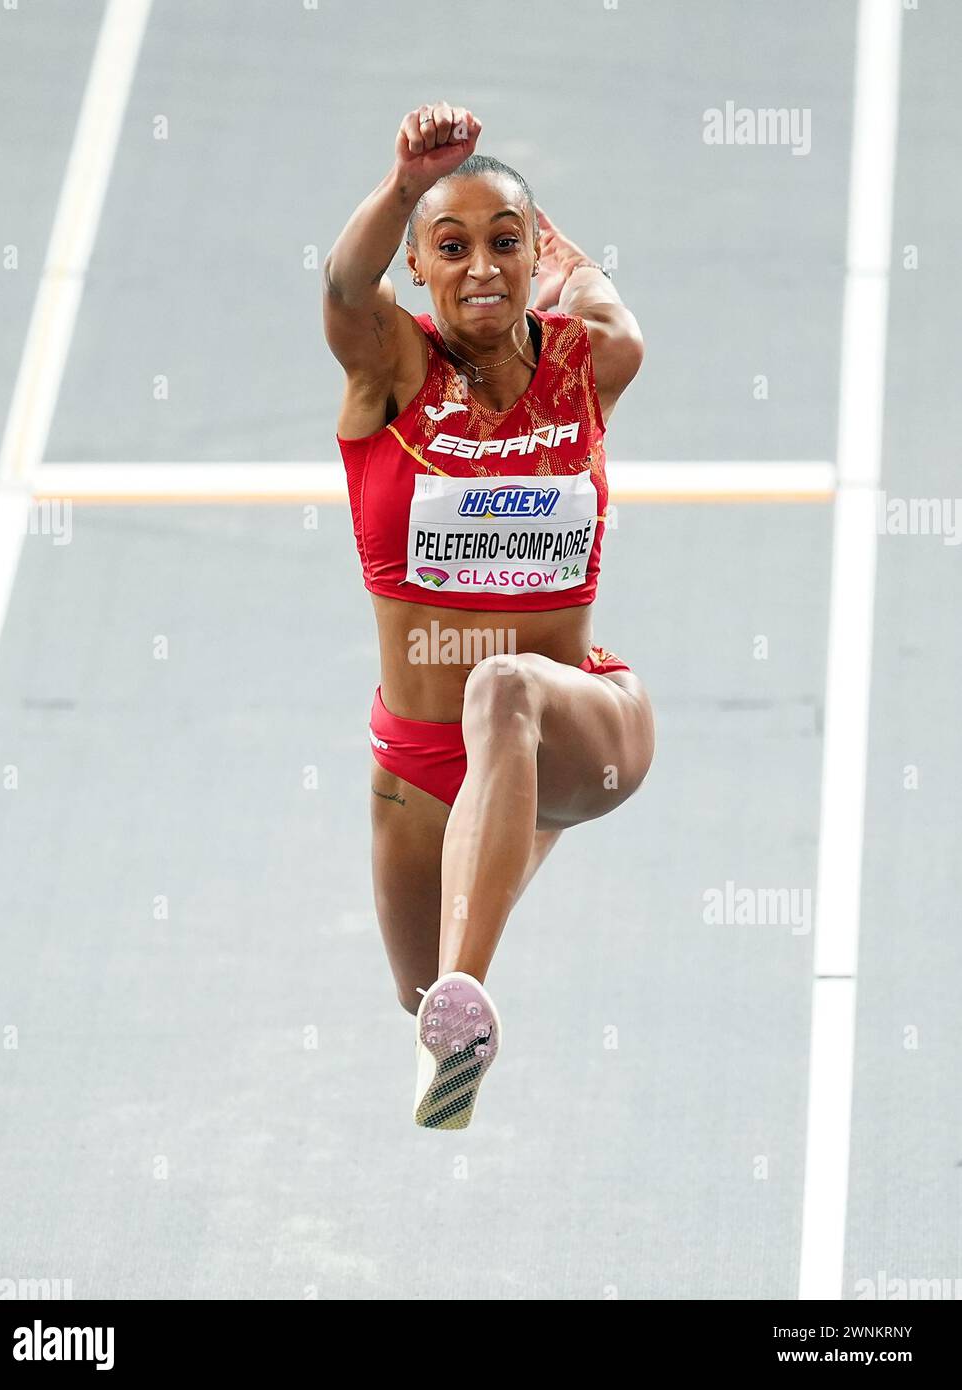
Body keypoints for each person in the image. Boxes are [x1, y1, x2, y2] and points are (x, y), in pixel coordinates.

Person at [323, 101, 655, 1129]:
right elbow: (343, 286)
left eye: (505, 244)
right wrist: (403, 185)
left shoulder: (583, 366)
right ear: (417, 268)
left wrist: (524, 215)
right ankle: (445, 1014)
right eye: (452, 247)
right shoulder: (393, 371)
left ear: (532, 256)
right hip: (419, 766)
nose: (482, 266)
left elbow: (611, 306)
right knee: (411, 993)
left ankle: (470, 1010)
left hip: (571, 721)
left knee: (500, 688)